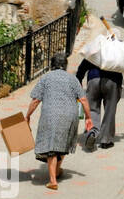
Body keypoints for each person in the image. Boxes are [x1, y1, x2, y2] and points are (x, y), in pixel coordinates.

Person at [25, 55, 93, 191]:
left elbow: (35, 100)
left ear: (52, 65)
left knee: (51, 147)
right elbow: (84, 100)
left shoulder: (46, 78)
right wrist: (88, 118)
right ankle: (56, 170)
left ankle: (53, 181)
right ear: (65, 65)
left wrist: (28, 116)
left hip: (51, 115)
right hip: (70, 115)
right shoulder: (73, 79)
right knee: (63, 142)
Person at [76, 38, 124, 150]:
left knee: (92, 109)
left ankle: (92, 132)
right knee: (110, 110)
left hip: (94, 80)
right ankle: (106, 140)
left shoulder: (97, 47)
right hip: (112, 82)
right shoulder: (120, 48)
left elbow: (83, 66)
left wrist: (79, 81)